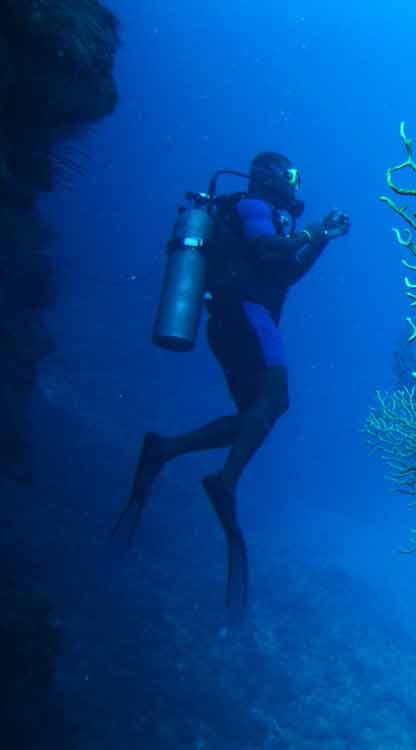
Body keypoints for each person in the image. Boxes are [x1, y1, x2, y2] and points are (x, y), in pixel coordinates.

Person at [111, 152, 350, 612]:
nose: (295, 183)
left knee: (253, 415)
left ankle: (165, 448)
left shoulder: (267, 215)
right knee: (275, 400)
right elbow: (267, 250)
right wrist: (313, 229)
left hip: (234, 320)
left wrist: (322, 239)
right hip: (246, 315)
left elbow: (288, 272)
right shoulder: (252, 207)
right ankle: (225, 480)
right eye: (291, 174)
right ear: (269, 175)